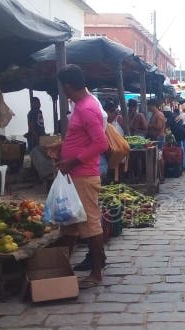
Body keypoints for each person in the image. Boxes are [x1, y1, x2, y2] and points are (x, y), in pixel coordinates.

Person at [54, 64, 108, 289]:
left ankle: (96, 273)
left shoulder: (86, 108)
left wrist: (72, 161)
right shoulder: (82, 104)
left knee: (89, 225)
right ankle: (64, 268)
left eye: (62, 88)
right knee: (72, 224)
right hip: (75, 174)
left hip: (83, 175)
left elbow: (101, 143)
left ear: (68, 86)